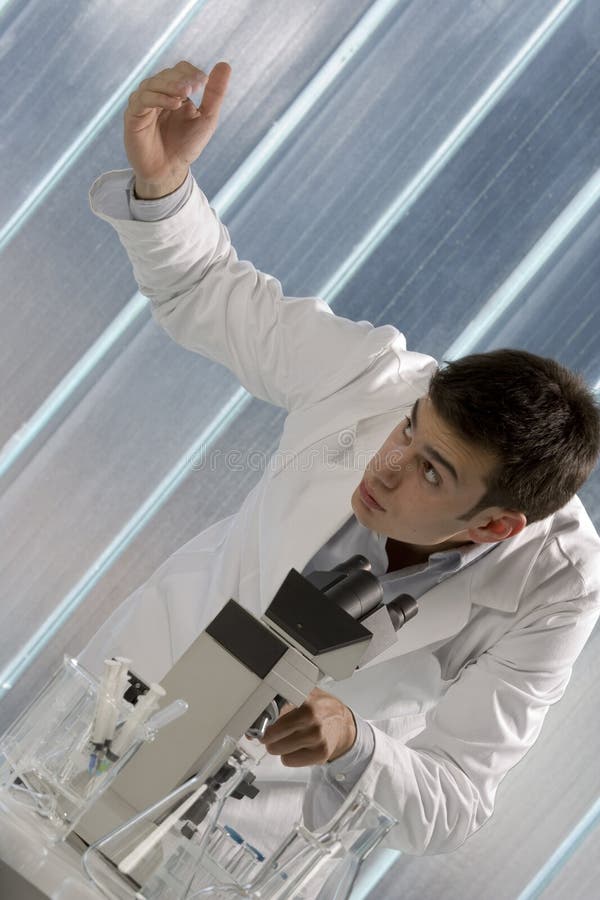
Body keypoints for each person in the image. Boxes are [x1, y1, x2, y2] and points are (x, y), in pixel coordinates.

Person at [82, 60, 600, 857]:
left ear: (495, 527)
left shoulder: (559, 585)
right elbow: (206, 291)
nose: (387, 467)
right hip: (110, 723)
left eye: (432, 472)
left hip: (244, 851)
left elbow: (457, 801)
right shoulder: (375, 377)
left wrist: (358, 740)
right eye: (408, 433)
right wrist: (166, 182)